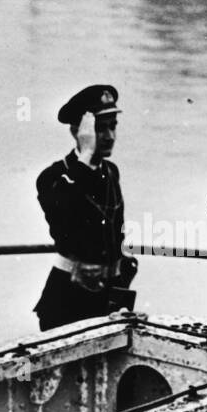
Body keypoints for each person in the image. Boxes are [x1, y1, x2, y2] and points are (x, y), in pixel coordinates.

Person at [34, 85, 138, 330]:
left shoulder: (111, 172)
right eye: (100, 129)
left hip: (110, 296)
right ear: (78, 132)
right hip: (69, 297)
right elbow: (64, 219)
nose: (110, 136)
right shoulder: (53, 177)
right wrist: (86, 156)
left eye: (113, 126)